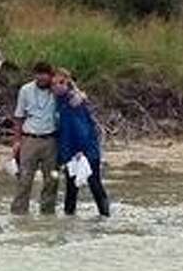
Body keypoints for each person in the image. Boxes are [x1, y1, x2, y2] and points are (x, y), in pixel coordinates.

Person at [52, 69, 110, 217]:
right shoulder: (59, 101)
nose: (57, 86)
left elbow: (81, 128)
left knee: (94, 184)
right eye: (54, 84)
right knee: (71, 188)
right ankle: (69, 219)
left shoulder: (73, 101)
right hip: (69, 152)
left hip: (85, 151)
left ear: (68, 83)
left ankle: (105, 216)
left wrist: (80, 150)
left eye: (61, 83)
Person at [10, 60, 60, 214]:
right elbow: (19, 116)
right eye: (38, 75)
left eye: (45, 75)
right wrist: (17, 141)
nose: (41, 78)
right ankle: (19, 214)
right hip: (29, 139)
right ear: (34, 75)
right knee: (24, 179)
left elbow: (72, 90)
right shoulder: (25, 90)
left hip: (51, 141)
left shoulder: (57, 89)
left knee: (52, 180)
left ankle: (47, 214)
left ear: (50, 76)